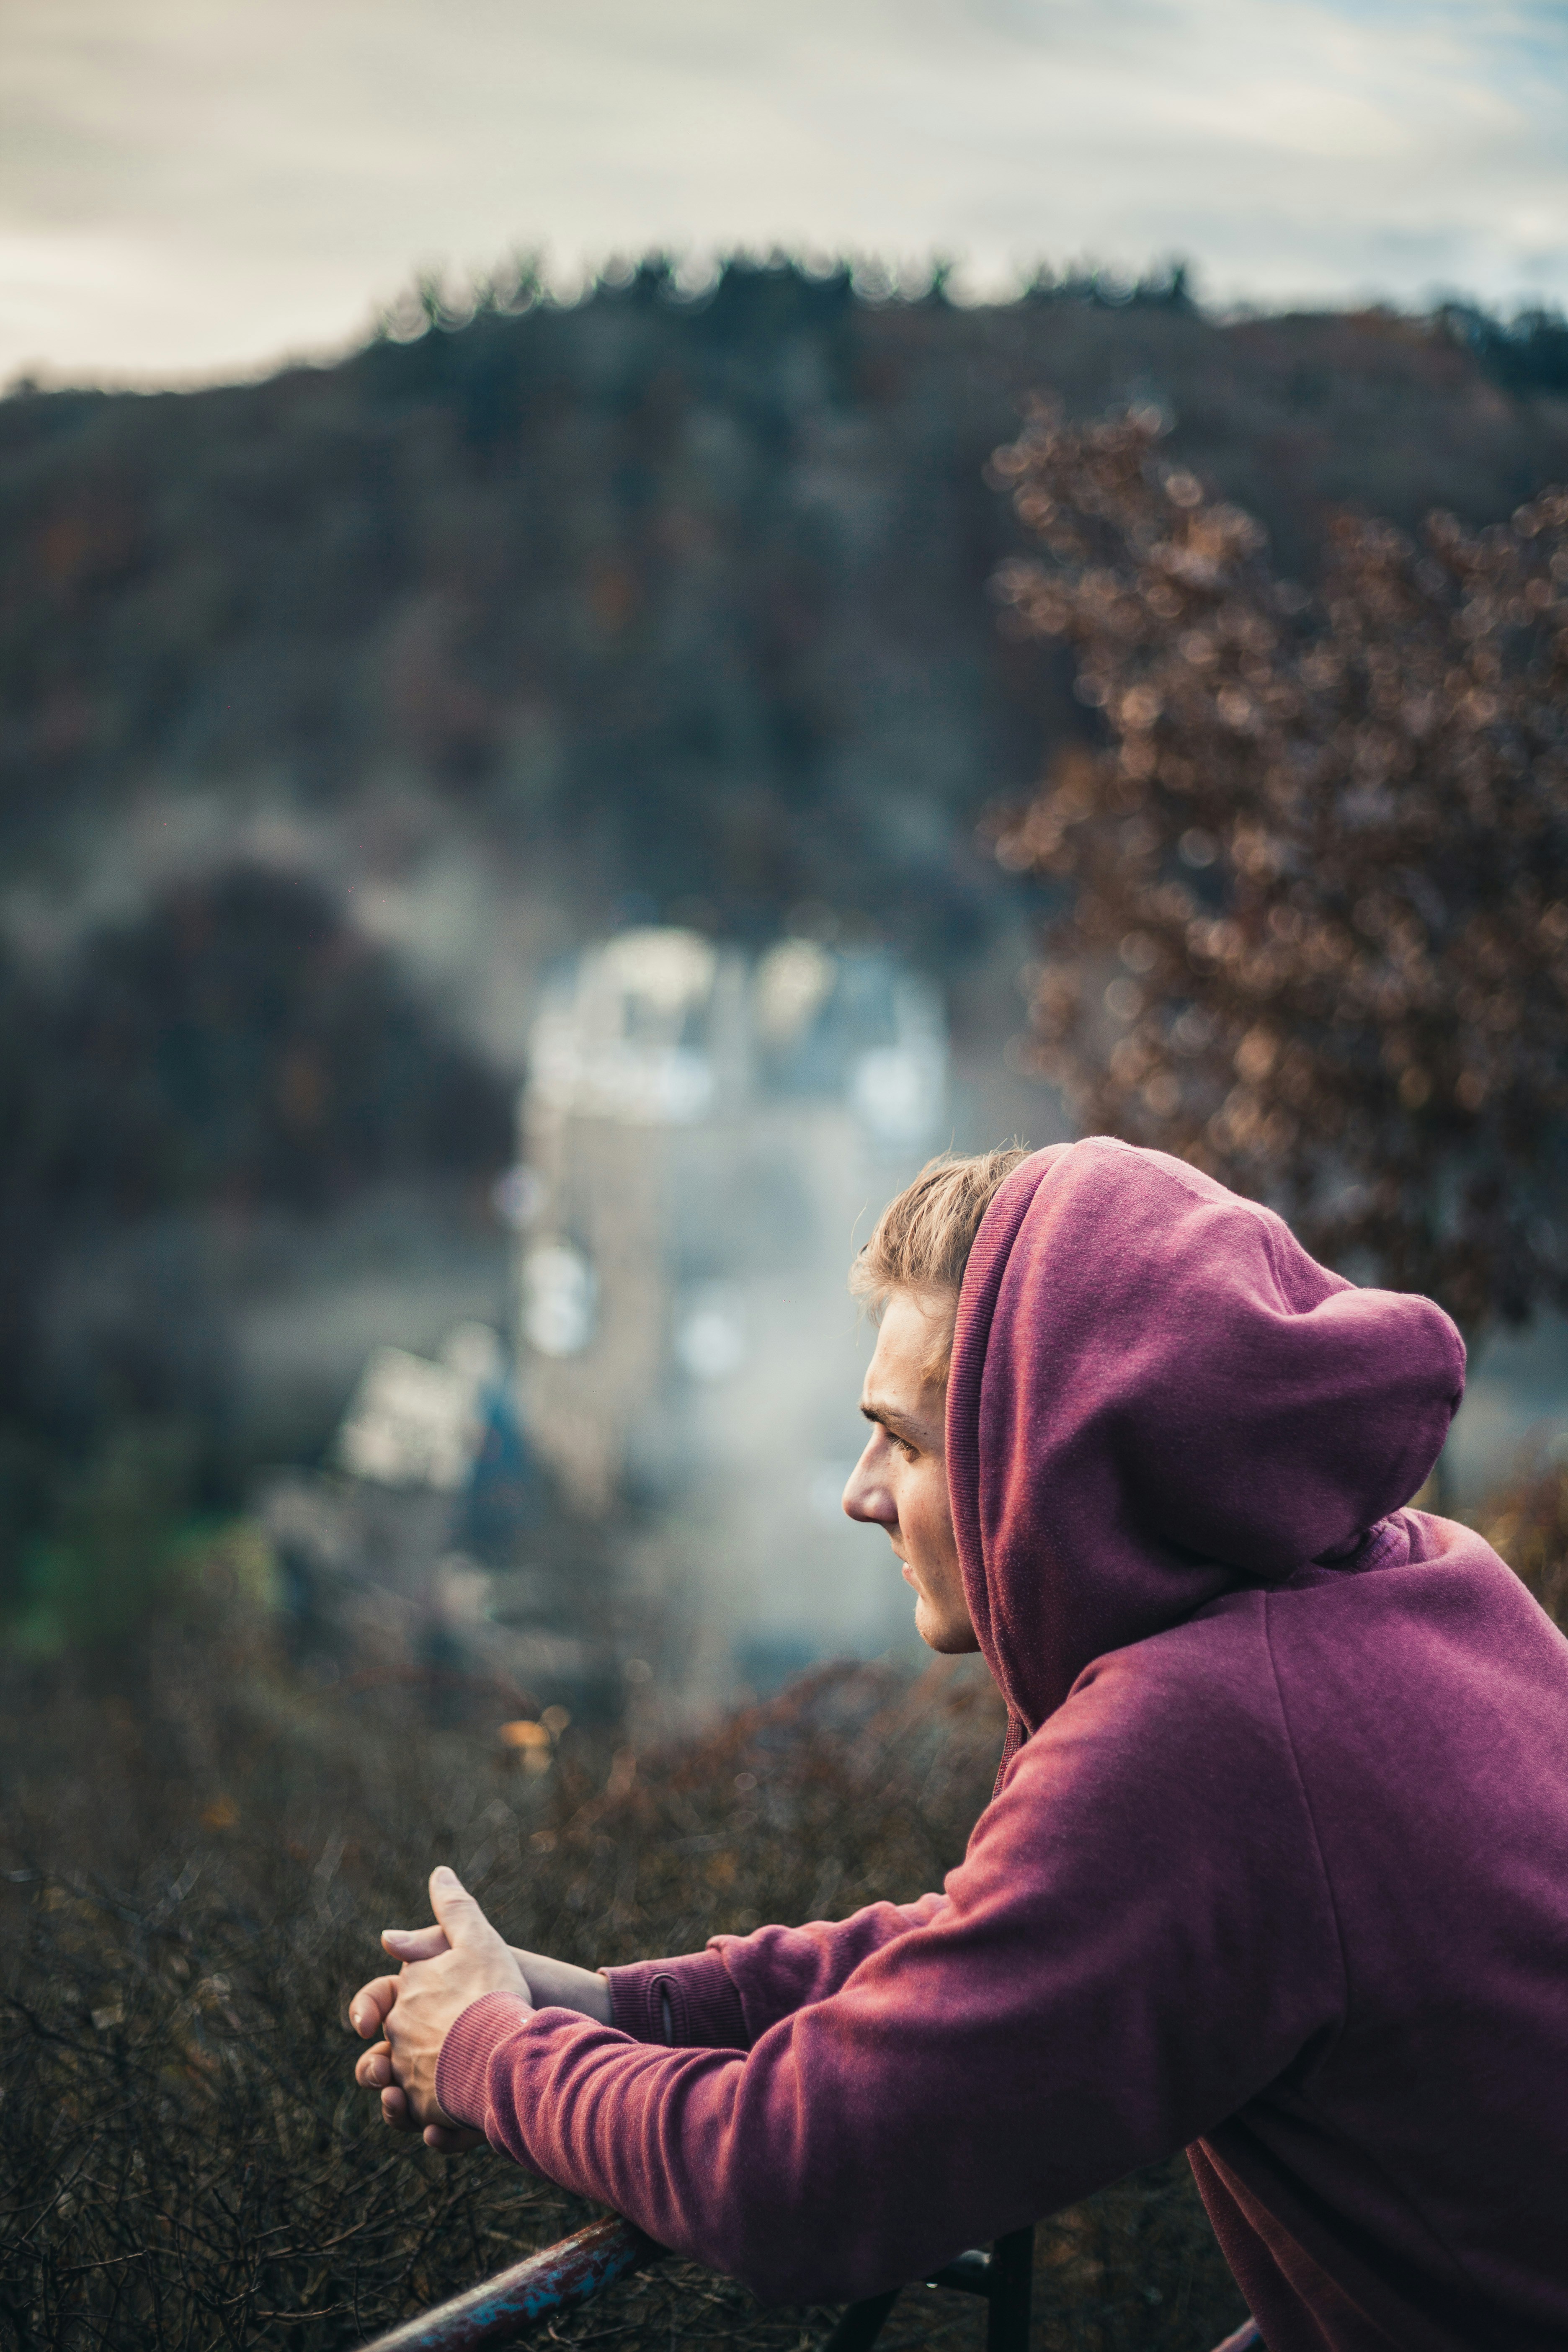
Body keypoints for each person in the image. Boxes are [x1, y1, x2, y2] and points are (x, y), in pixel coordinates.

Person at [350, 1138, 1568, 2352]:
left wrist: (490, 2052)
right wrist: (623, 2004)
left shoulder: (1208, 1746)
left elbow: (799, 2179)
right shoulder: (1433, 1583)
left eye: (911, 1440)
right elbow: (1006, 1944)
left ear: (1053, 1458)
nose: (860, 1490)